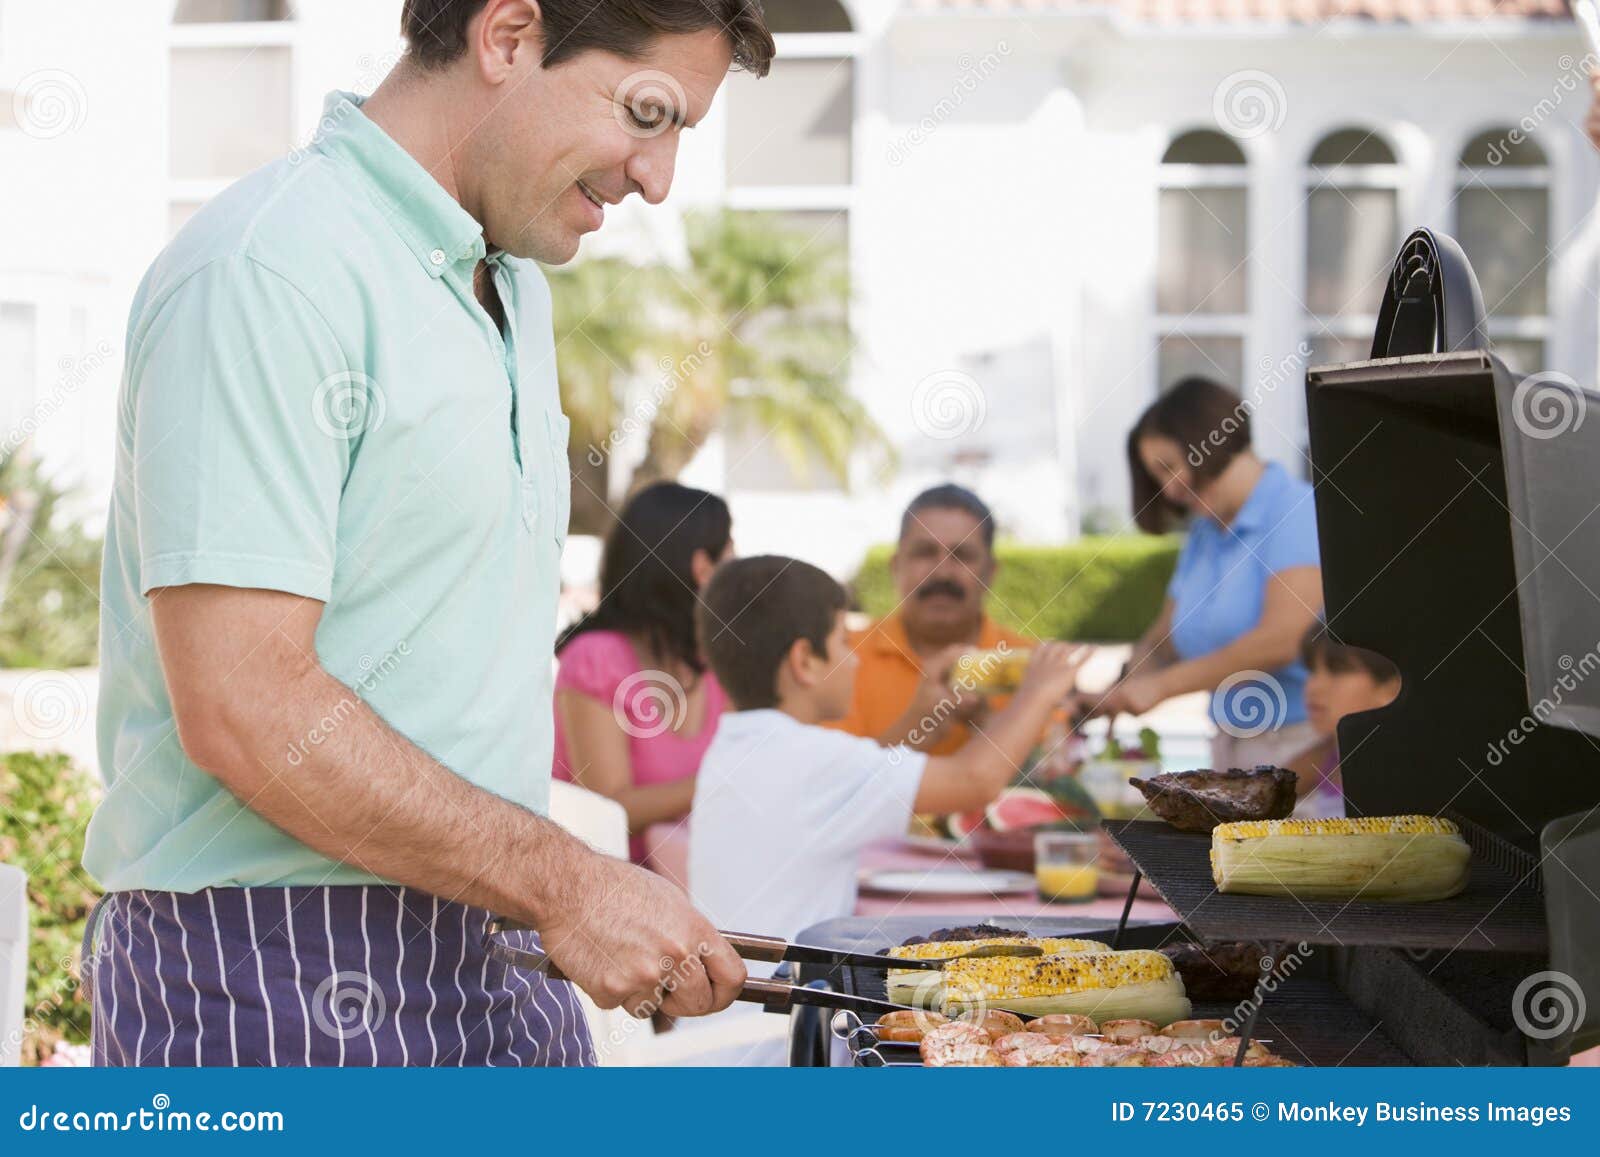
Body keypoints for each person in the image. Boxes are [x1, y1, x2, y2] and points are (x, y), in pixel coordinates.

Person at [80, 0, 774, 1068]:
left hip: (492, 945)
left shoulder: (516, 288)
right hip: (274, 978)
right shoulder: (269, 269)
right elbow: (245, 704)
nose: (657, 177)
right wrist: (569, 879)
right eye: (648, 115)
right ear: (507, 35)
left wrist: (554, 892)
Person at [688, 555, 1091, 941]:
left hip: (730, 1009)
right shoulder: (816, 759)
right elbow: (976, 780)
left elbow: (854, 783)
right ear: (804, 661)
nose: (855, 661)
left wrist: (920, 717)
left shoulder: (737, 746)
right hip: (784, 1010)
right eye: (842, 641)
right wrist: (1037, 694)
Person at [1091, 377, 1324, 769]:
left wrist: (1162, 687)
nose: (1169, 491)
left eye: (1169, 468)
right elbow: (1162, 640)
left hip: (1299, 752)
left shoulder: (1297, 510)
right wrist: (1118, 689)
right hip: (1227, 747)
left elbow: (1284, 639)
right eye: (1157, 477)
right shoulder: (1204, 531)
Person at [553, 482, 731, 862]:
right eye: (730, 556)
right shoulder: (595, 658)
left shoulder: (715, 663)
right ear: (703, 568)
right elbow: (607, 810)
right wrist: (720, 782)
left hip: (696, 892)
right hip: (612, 902)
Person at [832, 484, 1034, 755]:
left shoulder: (1031, 664)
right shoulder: (841, 659)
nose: (942, 573)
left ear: (990, 572)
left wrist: (989, 726)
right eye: (925, 553)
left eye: (961, 555)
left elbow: (1056, 786)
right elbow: (828, 785)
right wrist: (914, 729)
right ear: (896, 566)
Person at [1285, 623, 1402, 818]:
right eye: (1312, 670)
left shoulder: (1398, 770)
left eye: (1337, 671)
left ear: (1391, 687)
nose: (1313, 686)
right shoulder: (1323, 757)